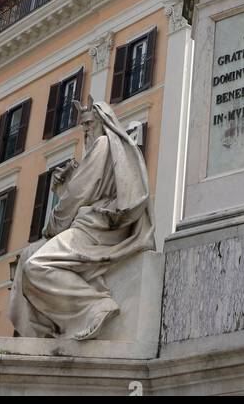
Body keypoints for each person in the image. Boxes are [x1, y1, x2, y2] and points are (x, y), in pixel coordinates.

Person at [10, 98, 155, 340]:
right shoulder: (113, 148)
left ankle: (95, 306)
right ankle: (48, 330)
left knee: (36, 265)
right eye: (83, 126)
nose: (85, 130)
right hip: (97, 225)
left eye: (88, 123)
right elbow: (87, 191)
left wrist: (53, 226)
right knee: (27, 256)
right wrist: (65, 187)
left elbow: (77, 196)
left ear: (102, 121)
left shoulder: (102, 144)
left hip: (96, 229)